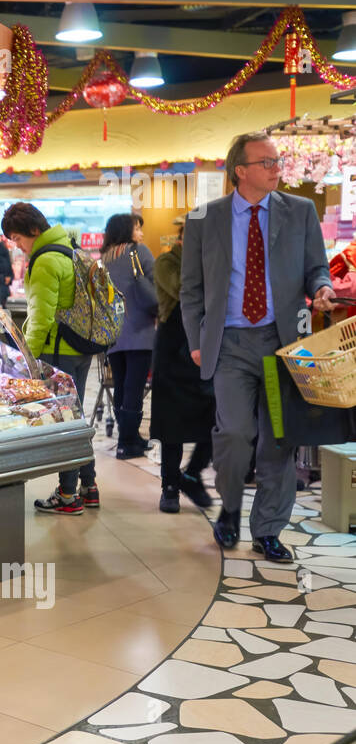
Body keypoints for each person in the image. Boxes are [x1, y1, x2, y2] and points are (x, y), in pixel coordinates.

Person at [182, 131, 336, 562]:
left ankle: (268, 529)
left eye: (277, 161)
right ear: (241, 171)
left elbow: (316, 268)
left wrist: (322, 287)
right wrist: (197, 341)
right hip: (229, 345)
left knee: (279, 440)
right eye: (267, 162)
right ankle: (229, 508)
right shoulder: (203, 220)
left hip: (282, 344)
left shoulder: (300, 212)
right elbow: (190, 290)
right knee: (234, 434)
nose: (276, 168)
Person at [1, 201, 98, 515]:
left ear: (32, 230)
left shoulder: (44, 261)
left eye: (17, 239)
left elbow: (40, 318)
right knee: (77, 416)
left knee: (64, 421)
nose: (18, 247)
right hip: (81, 348)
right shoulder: (68, 249)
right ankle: (89, 486)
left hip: (59, 353)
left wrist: (28, 360)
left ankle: (68, 495)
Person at [151, 215, 215, 513]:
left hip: (205, 345)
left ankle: (193, 473)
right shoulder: (166, 262)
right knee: (171, 422)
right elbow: (186, 292)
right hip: (172, 348)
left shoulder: (214, 262)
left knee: (216, 417)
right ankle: (170, 485)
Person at [101, 212, 157, 459]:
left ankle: (131, 436)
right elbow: (157, 283)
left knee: (122, 386)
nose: (141, 234)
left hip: (114, 333)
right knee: (135, 387)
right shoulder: (138, 252)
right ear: (127, 230)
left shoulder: (104, 258)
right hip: (140, 330)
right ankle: (127, 443)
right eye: (137, 228)